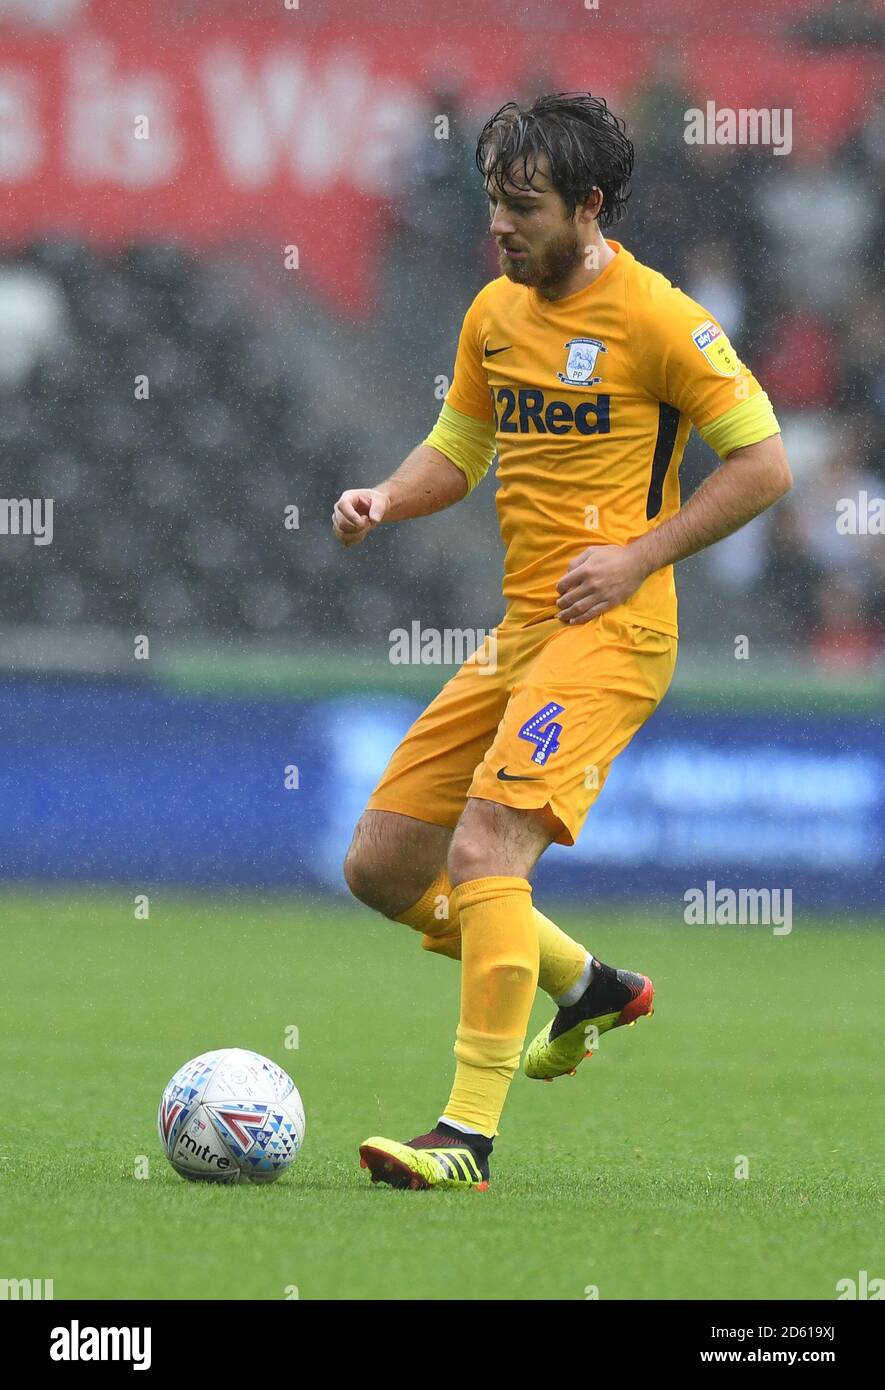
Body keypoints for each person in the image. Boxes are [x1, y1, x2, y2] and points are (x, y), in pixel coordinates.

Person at [333, 93, 792, 1191]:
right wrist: (386, 498)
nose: (501, 226)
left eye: (524, 208)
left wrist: (639, 555)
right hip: (521, 631)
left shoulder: (660, 320)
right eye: (494, 203)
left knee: (488, 850)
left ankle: (466, 1138)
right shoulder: (494, 310)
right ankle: (585, 986)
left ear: (589, 207)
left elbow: (764, 464)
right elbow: (459, 445)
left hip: (616, 627)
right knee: (383, 864)